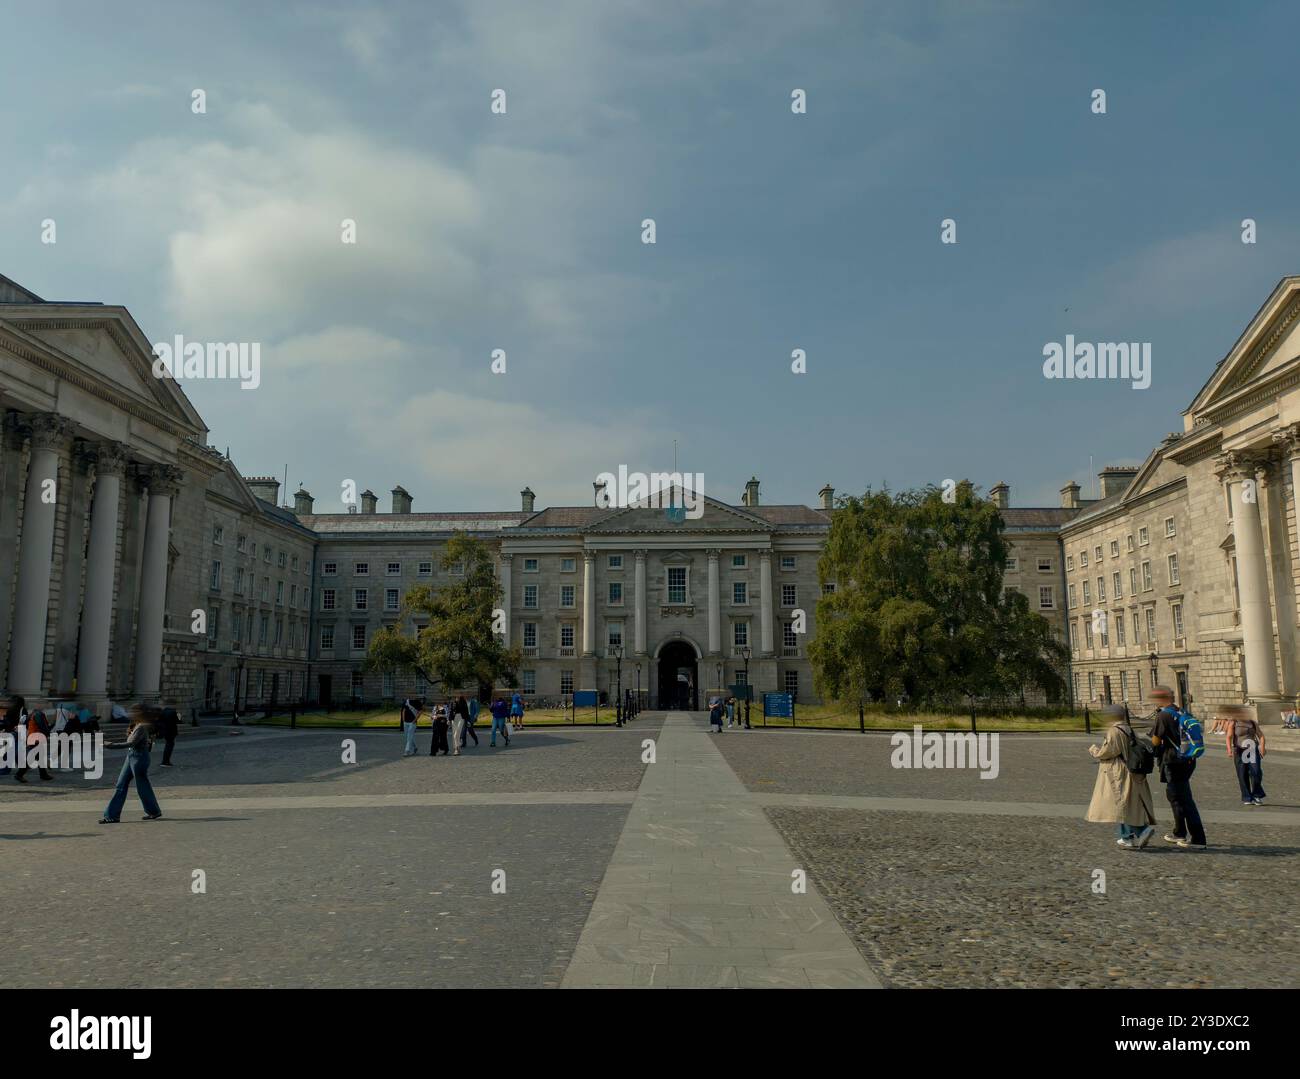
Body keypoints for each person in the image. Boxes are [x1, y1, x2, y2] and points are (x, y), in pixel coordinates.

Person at [1085, 705, 1156, 849]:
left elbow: (1108, 751)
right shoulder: (1129, 728)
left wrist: (1094, 750)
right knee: (1125, 803)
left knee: (1122, 803)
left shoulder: (1114, 731)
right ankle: (1127, 837)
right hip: (1131, 770)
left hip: (1119, 771)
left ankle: (1140, 830)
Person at [1149, 685, 1207, 850]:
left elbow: (1155, 740)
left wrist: (1153, 747)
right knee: (1176, 797)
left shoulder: (1164, 715)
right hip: (1187, 759)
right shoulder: (1180, 711)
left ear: (1161, 698)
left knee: (1184, 799)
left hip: (1174, 761)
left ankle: (1198, 839)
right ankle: (1179, 832)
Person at [99, 705, 163, 823]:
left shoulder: (142, 727)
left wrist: (110, 745)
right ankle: (112, 815)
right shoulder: (138, 725)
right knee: (122, 785)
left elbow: (131, 743)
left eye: (134, 712)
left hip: (138, 758)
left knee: (140, 787)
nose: (131, 714)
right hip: (132, 757)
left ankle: (112, 816)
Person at [1219, 704, 1266, 805]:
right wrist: (1229, 749)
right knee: (1242, 774)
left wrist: (1262, 746)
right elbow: (1229, 737)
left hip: (1252, 750)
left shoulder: (1253, 723)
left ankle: (1257, 795)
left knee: (1256, 772)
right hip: (1240, 750)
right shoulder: (1234, 723)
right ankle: (1247, 797)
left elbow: (1260, 735)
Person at [15, 701, 53, 782]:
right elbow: (42, 726)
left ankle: (43, 774)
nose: (46, 706)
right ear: (39, 705)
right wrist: (48, 733)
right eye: (44, 704)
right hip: (36, 738)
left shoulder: (33, 713)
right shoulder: (38, 714)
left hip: (33, 737)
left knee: (40, 757)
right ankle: (19, 774)